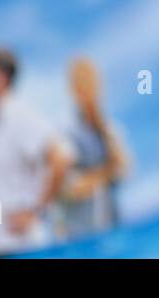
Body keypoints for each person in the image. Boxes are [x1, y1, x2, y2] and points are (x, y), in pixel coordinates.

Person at [0, 46, 71, 256]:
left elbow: (61, 157)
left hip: (16, 247)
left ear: (1, 77)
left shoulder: (19, 115)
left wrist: (36, 212)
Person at [55, 56, 130, 239]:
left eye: (92, 81)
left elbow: (125, 170)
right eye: (81, 82)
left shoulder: (111, 129)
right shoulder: (63, 132)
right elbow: (68, 188)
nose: (88, 89)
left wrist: (101, 126)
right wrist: (106, 173)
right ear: (72, 88)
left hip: (113, 232)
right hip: (77, 239)